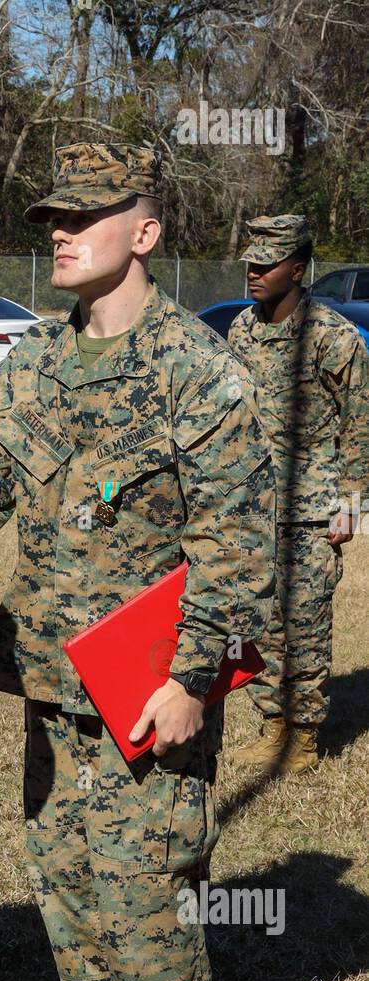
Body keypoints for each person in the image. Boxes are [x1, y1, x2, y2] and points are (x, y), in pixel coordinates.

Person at [0, 143, 275, 981]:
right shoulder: (33, 360)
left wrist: (189, 676)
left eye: (83, 217)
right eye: (52, 219)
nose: (60, 235)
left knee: (147, 877)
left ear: (145, 231)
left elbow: (233, 537)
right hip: (50, 676)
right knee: (66, 870)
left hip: (145, 682)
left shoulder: (194, 370)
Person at [228, 215, 369, 774]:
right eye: (249, 262)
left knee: (304, 622)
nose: (253, 272)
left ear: (298, 268)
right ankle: (272, 726)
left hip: (312, 509)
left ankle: (305, 738)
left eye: (267, 264)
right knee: (256, 621)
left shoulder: (333, 337)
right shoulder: (241, 329)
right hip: (249, 507)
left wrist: (352, 501)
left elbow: (360, 423)